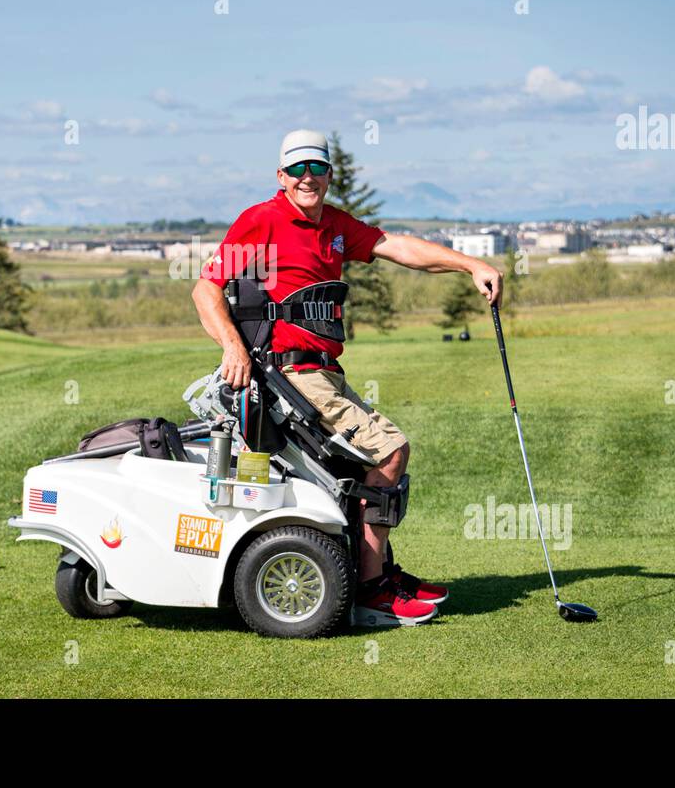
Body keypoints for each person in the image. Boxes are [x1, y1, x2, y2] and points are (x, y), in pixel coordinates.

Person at [192, 129, 503, 623]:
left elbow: (397, 247)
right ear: (281, 176)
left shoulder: (335, 225)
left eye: (316, 168)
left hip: (324, 371)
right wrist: (233, 347)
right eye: (297, 169)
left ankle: (376, 570)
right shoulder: (261, 221)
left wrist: (469, 265)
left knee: (359, 467)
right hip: (288, 370)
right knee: (389, 451)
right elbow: (206, 288)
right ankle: (371, 587)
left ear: (330, 175)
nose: (307, 177)